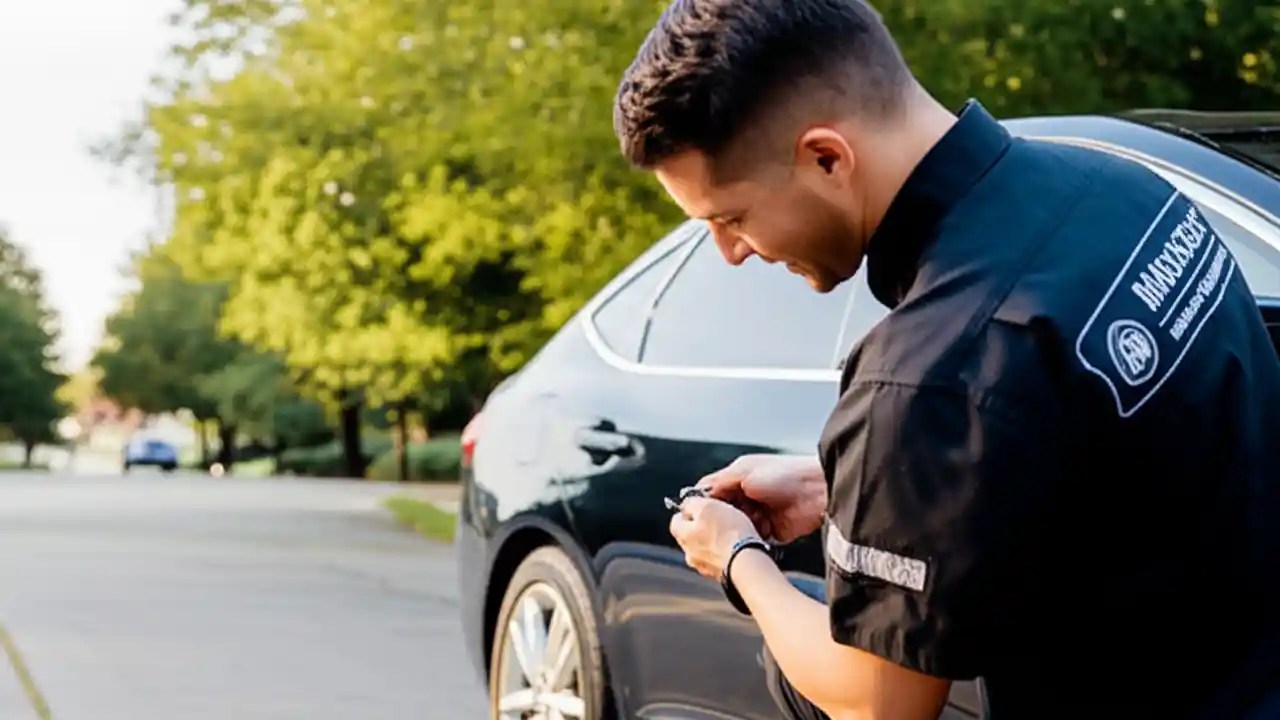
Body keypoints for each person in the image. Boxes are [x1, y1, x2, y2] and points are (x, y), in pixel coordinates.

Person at [612, 1, 1280, 718]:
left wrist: (739, 560)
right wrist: (840, 491)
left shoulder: (929, 374)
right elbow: (1118, 472)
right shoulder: (1124, 191)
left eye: (731, 218)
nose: (731, 253)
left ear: (828, 158)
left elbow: (876, 703)